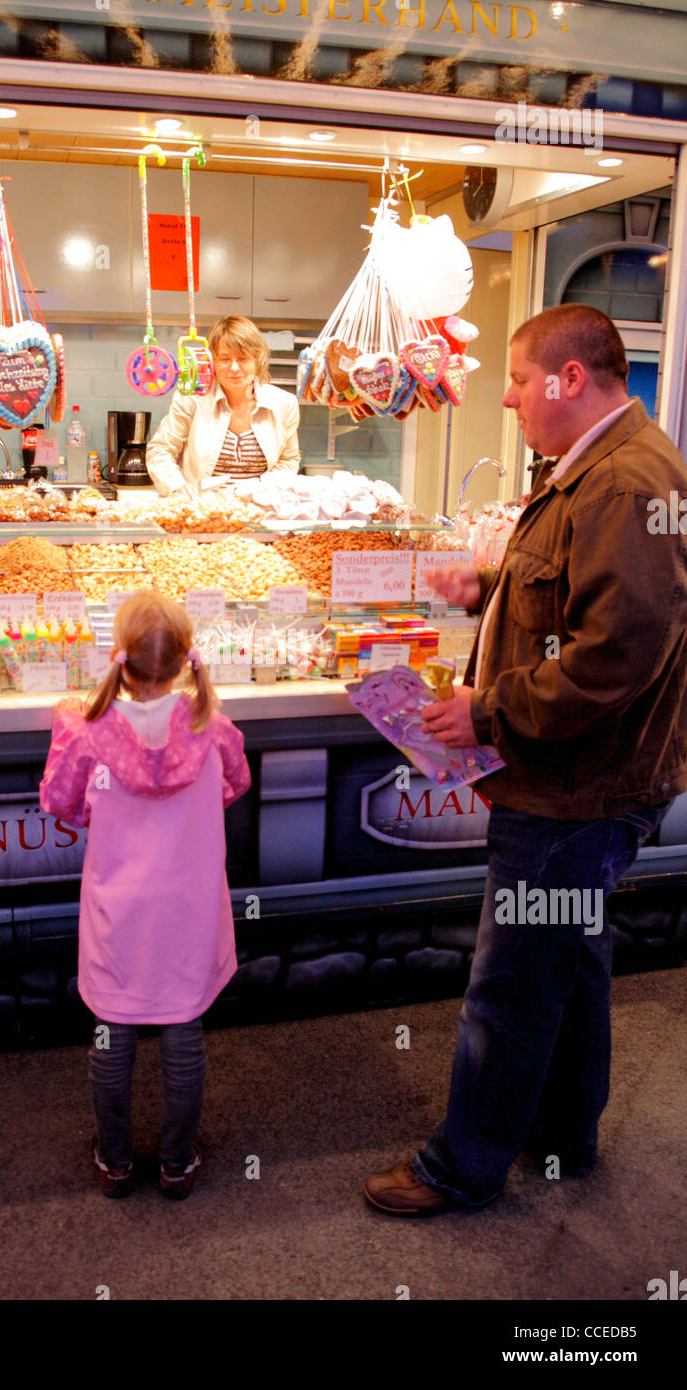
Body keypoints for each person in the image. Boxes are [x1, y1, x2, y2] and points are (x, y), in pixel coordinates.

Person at [364, 303, 687, 1215]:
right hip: (576, 782)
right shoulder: (598, 471)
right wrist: (492, 583)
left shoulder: (627, 482)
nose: (505, 398)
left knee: (509, 983)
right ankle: (562, 1138)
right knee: (572, 959)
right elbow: (577, 597)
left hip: (577, 789)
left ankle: (460, 1168)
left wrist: (489, 711)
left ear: (569, 379)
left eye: (515, 379)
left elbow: (613, 656)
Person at [39, 592, 251, 1200]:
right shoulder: (215, 727)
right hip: (189, 909)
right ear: (187, 658)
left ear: (119, 658)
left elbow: (60, 804)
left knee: (113, 1030)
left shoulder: (85, 730)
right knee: (184, 1029)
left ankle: (115, 1160)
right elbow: (236, 784)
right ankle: (178, 1163)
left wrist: (66, 719)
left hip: (117, 914)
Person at [146, 314, 301, 496]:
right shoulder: (192, 398)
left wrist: (266, 490)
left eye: (243, 359)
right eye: (225, 359)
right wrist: (178, 488)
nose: (234, 368)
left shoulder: (284, 404)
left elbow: (288, 459)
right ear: (212, 361)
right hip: (201, 513)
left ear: (257, 360)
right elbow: (160, 450)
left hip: (259, 512)